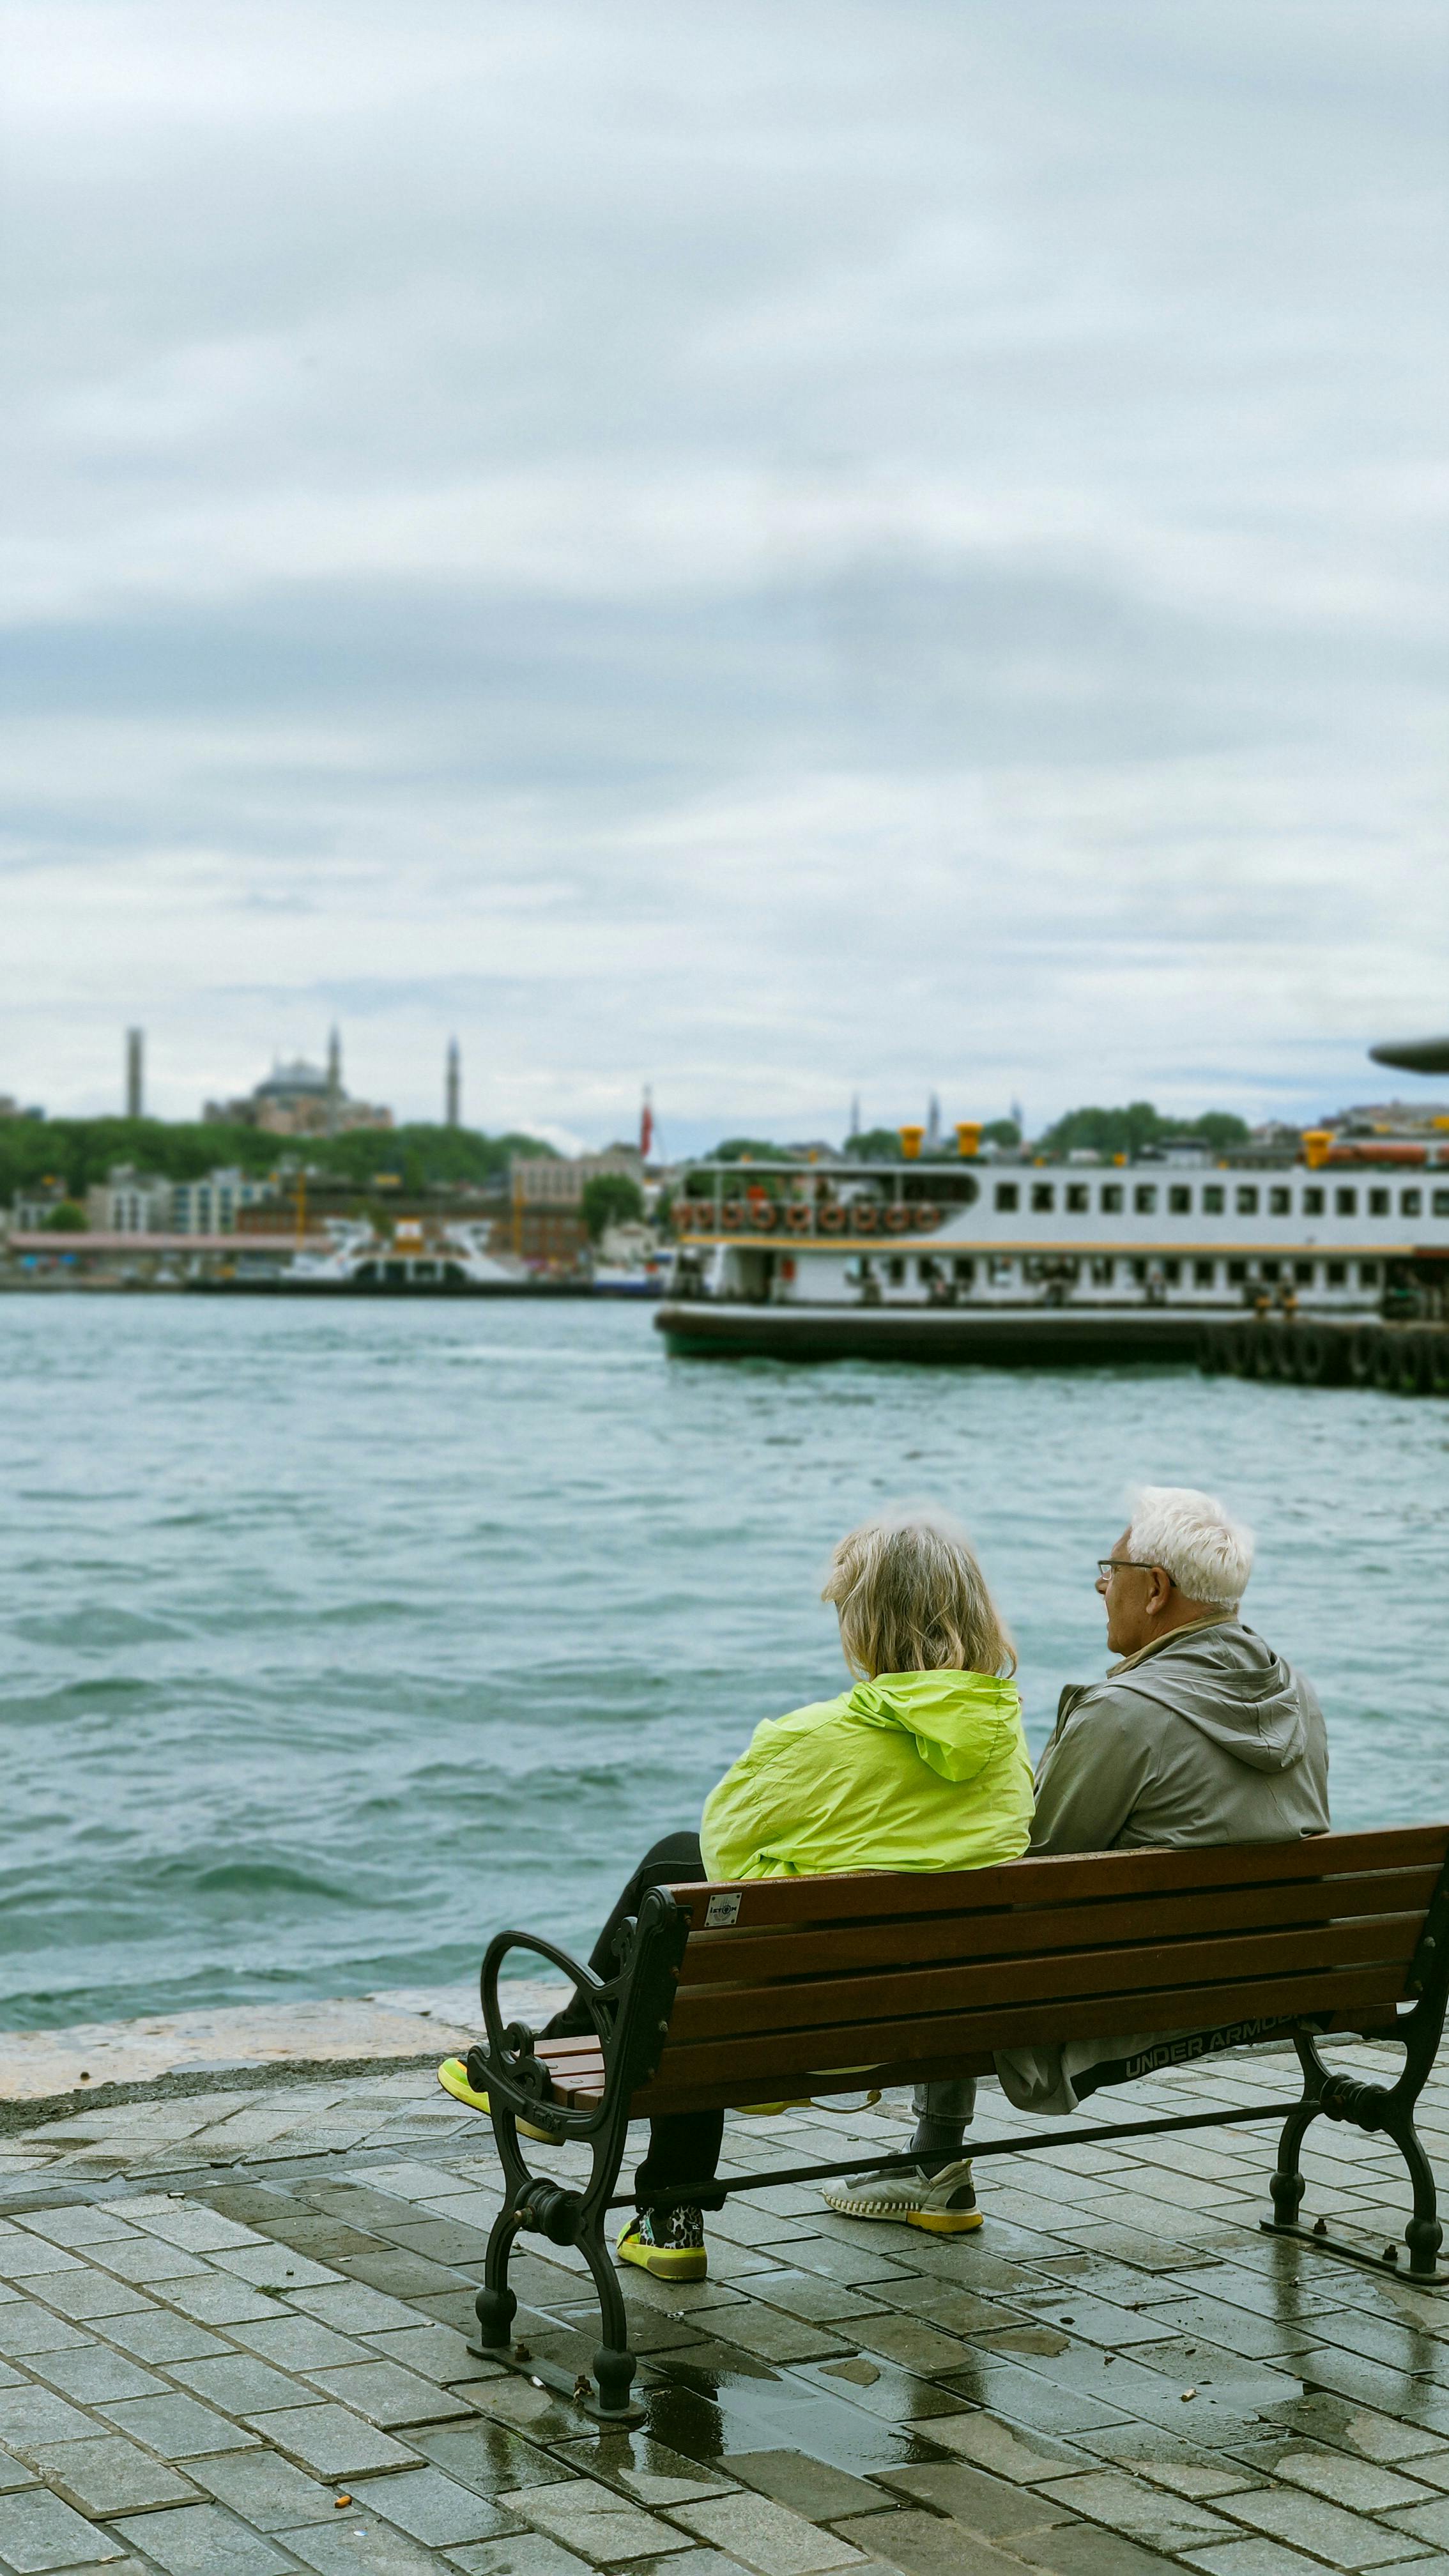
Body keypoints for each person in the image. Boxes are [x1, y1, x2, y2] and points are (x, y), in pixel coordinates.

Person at [441, 1510, 1034, 2280]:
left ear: (868, 1621)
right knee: (693, 1907)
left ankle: (614, 2136)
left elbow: (721, 1860)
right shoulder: (1006, 1739)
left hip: (785, 2030)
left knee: (678, 1905)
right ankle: (637, 2166)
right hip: (934, 2024)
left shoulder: (811, 1738)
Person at [825, 1484, 1329, 2221]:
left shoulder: (1122, 1715)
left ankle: (936, 2159)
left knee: (955, 1899)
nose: (1100, 1584)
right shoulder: (1296, 1693)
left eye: (1111, 1568)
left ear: (1155, 1590)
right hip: (1276, 1984)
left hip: (1130, 2003)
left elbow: (1025, 1879)